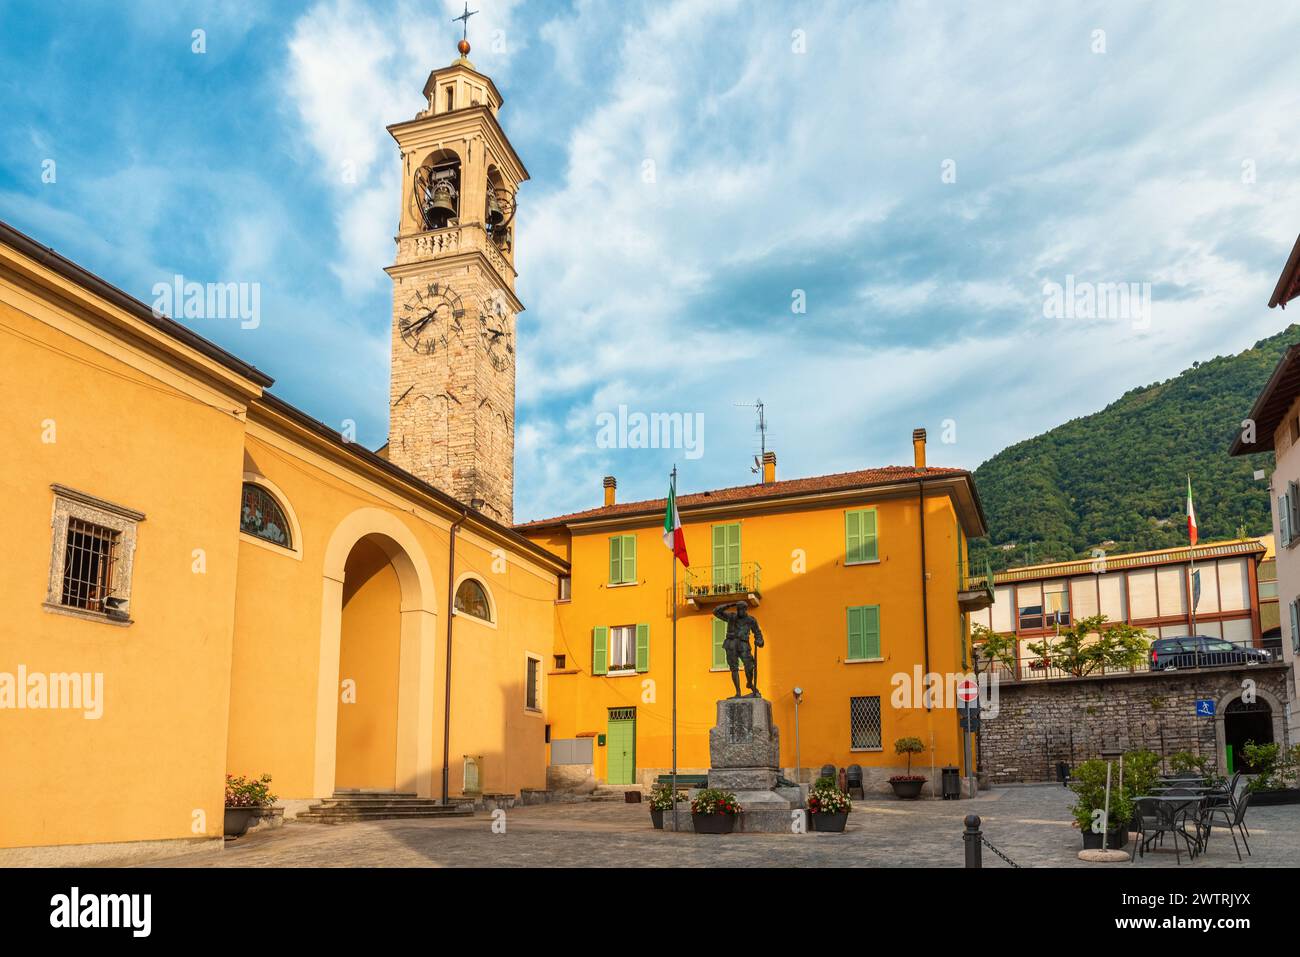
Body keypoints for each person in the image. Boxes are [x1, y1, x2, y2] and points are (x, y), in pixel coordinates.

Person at [713, 600, 764, 698]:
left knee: (749, 666)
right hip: (731, 644)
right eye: (738, 608)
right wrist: (729, 604)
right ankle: (738, 692)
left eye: (741, 609)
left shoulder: (751, 620)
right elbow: (716, 611)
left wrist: (759, 640)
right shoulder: (731, 617)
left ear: (745, 609)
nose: (739, 611)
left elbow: (757, 632)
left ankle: (749, 683)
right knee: (734, 668)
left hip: (743, 644)